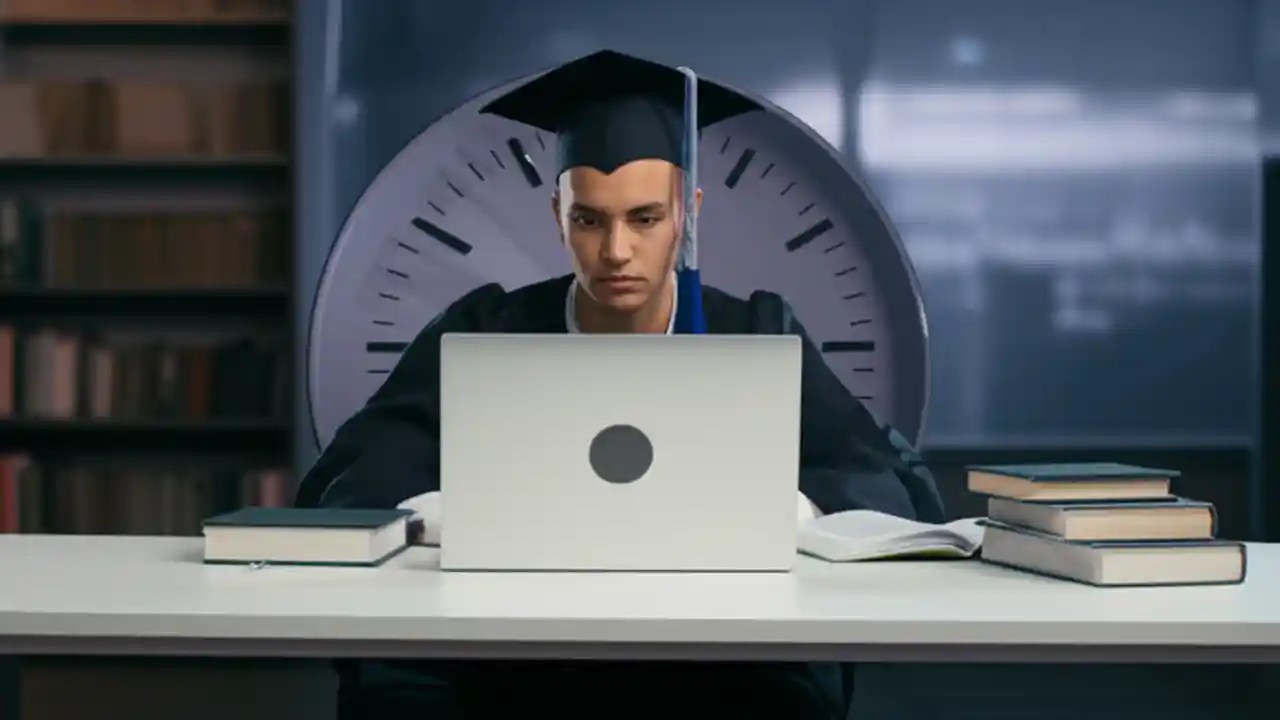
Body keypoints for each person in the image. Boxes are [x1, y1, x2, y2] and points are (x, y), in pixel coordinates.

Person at [295, 48, 946, 720]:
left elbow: (878, 486)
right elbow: (363, 474)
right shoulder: (486, 331)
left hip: (706, 649)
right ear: (557, 214)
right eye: (589, 219)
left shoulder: (755, 333)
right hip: (518, 646)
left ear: (687, 213)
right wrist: (452, 513)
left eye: (645, 218)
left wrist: (783, 512)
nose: (615, 251)